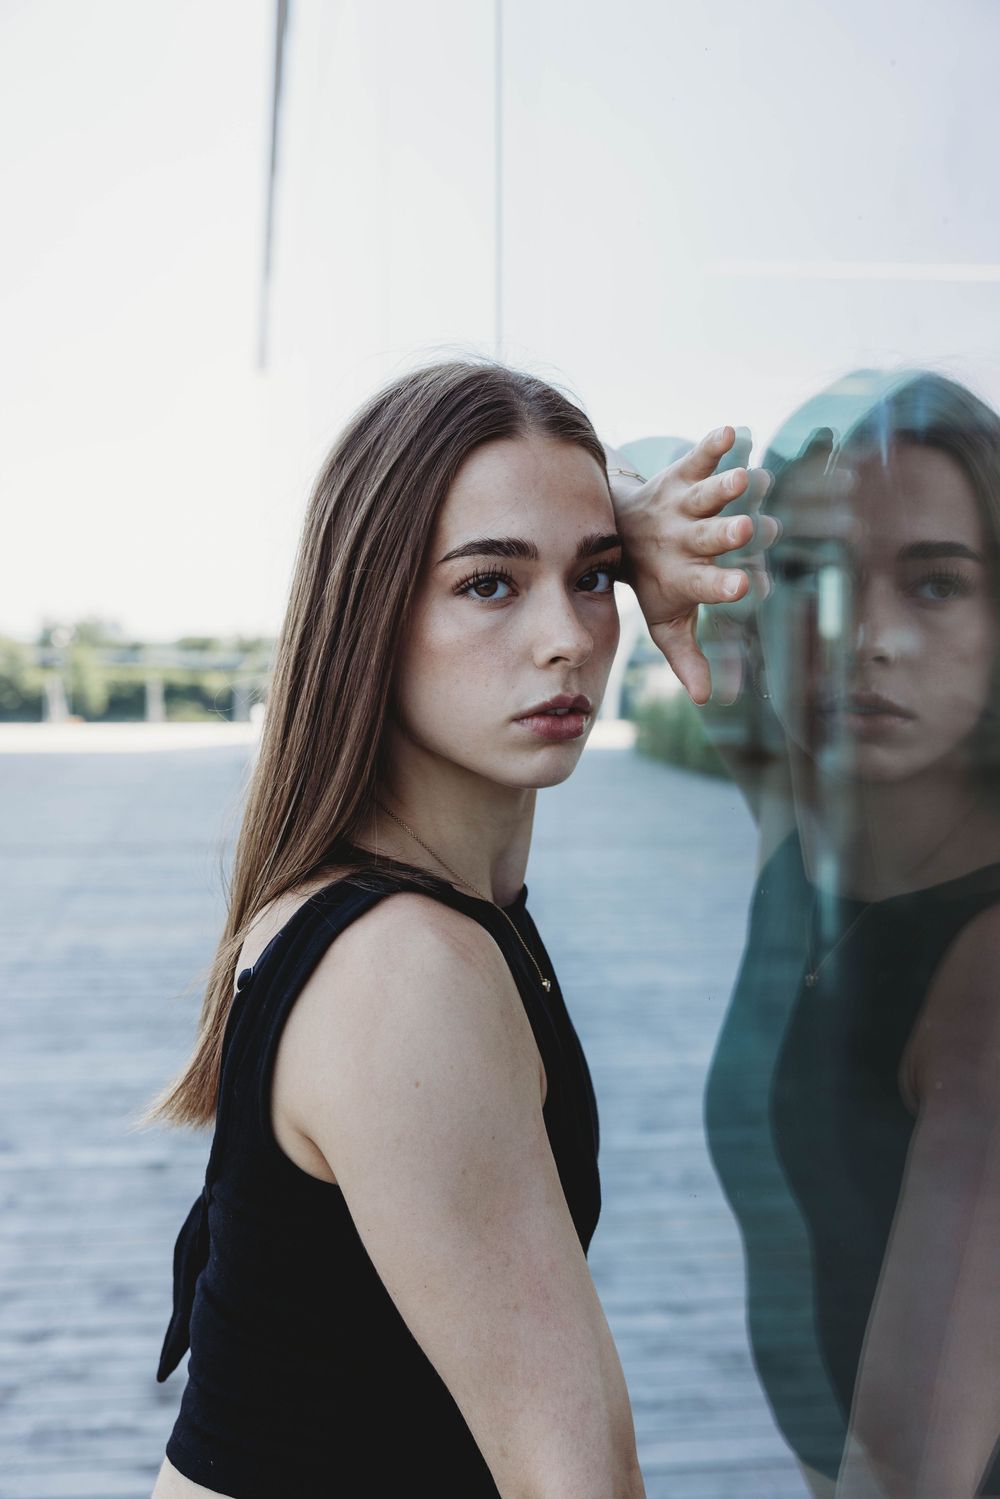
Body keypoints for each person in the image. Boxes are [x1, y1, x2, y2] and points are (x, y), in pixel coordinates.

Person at [137, 358, 765, 1499]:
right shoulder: (402, 972)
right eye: (488, 584)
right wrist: (597, 518)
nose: (568, 638)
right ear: (372, 603)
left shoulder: (385, 908)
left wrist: (617, 517)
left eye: (594, 578)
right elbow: (573, 1480)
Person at [699, 370, 1000, 1498]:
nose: (863, 634)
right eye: (811, 575)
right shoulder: (812, 823)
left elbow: (913, 1474)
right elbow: (638, 481)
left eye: (933, 584)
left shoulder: (988, 977)